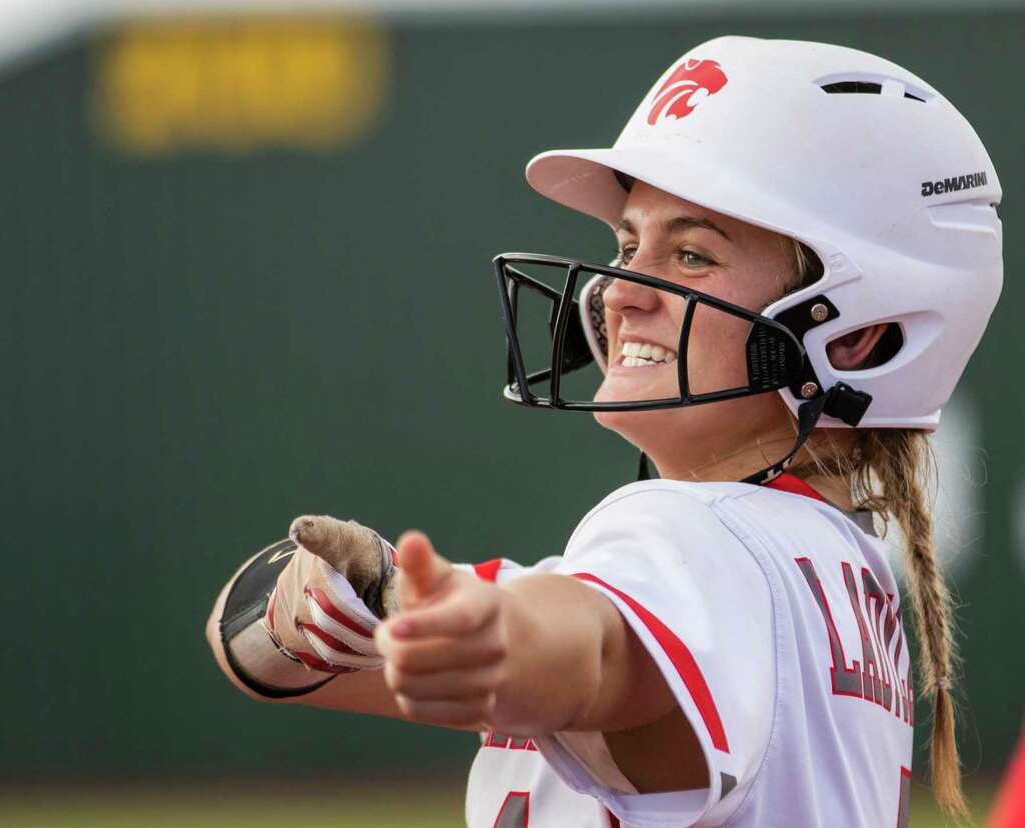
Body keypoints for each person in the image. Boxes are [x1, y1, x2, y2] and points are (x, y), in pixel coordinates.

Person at [206, 36, 1002, 827]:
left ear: (858, 336)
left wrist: (489, 635)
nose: (620, 292)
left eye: (691, 255)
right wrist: (400, 610)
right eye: (628, 245)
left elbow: (593, 655)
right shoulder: (822, 563)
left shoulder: (690, 532)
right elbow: (260, 644)